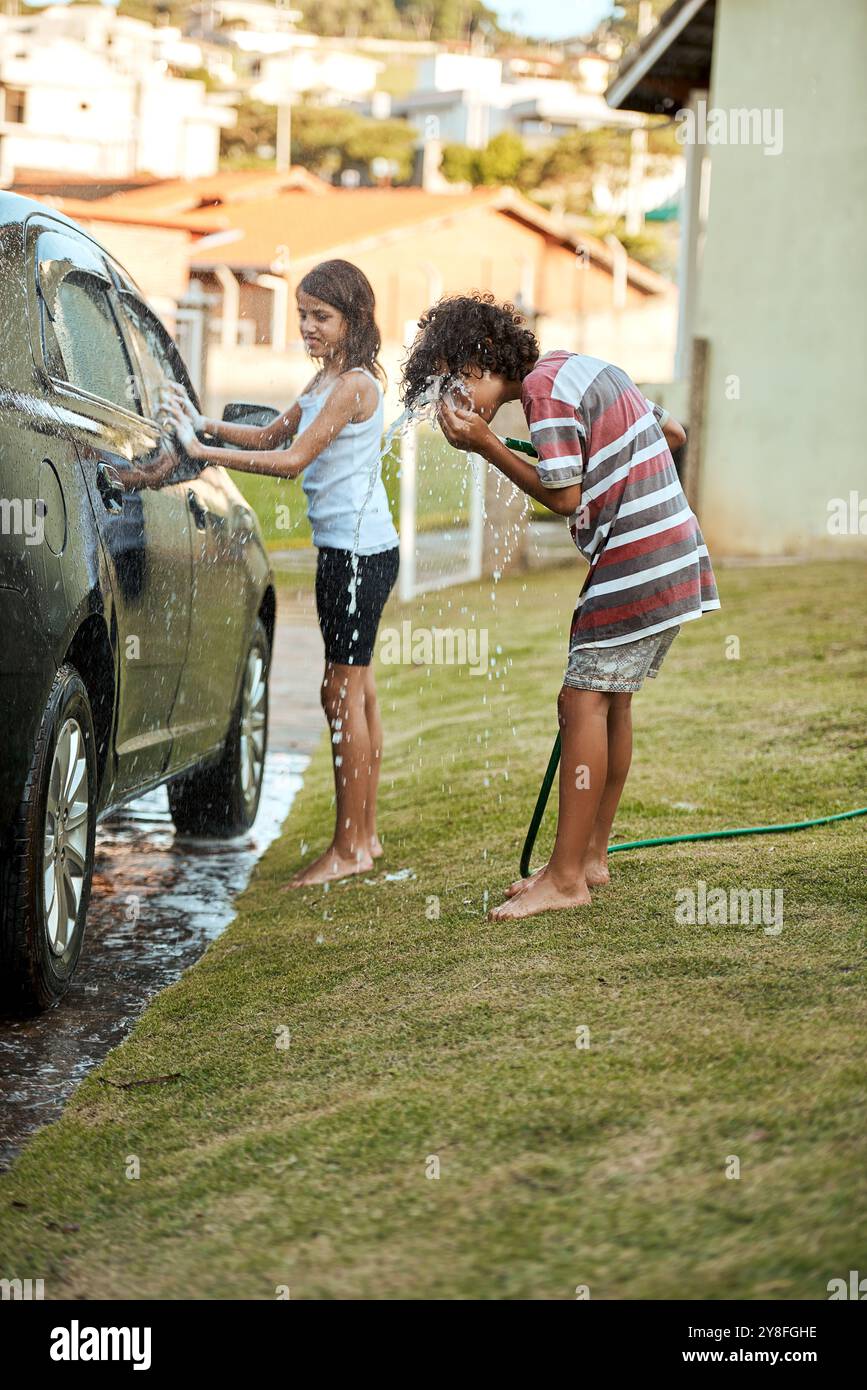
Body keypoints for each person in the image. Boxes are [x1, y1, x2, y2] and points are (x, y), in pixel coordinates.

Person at [400, 291, 720, 921]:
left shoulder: (545, 391)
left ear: (487, 356)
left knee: (582, 702)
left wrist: (489, 445)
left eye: (458, 383)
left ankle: (567, 878)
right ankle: (590, 857)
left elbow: (566, 497)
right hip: (674, 553)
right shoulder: (582, 369)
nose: (457, 403)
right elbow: (673, 431)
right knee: (609, 699)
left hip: (636, 557)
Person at [162, 260, 399, 887]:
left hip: (355, 558)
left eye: (321, 316)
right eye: (303, 315)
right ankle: (365, 839)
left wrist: (202, 455)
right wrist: (202, 421)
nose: (307, 327)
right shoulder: (326, 378)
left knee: (340, 694)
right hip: (355, 553)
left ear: (354, 319)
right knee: (357, 689)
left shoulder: (353, 384)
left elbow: (292, 461)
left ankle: (349, 848)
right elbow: (271, 434)